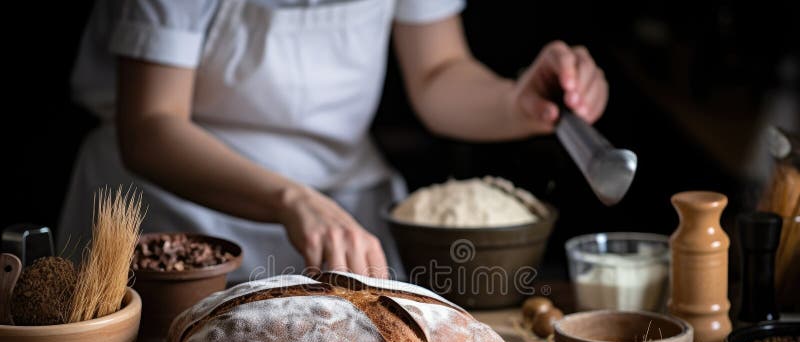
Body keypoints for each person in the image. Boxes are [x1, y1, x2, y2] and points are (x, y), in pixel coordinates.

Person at [60, 0, 608, 282]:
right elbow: (151, 126)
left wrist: (516, 102)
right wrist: (290, 199)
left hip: (345, 215)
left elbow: (438, 73)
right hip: (173, 215)